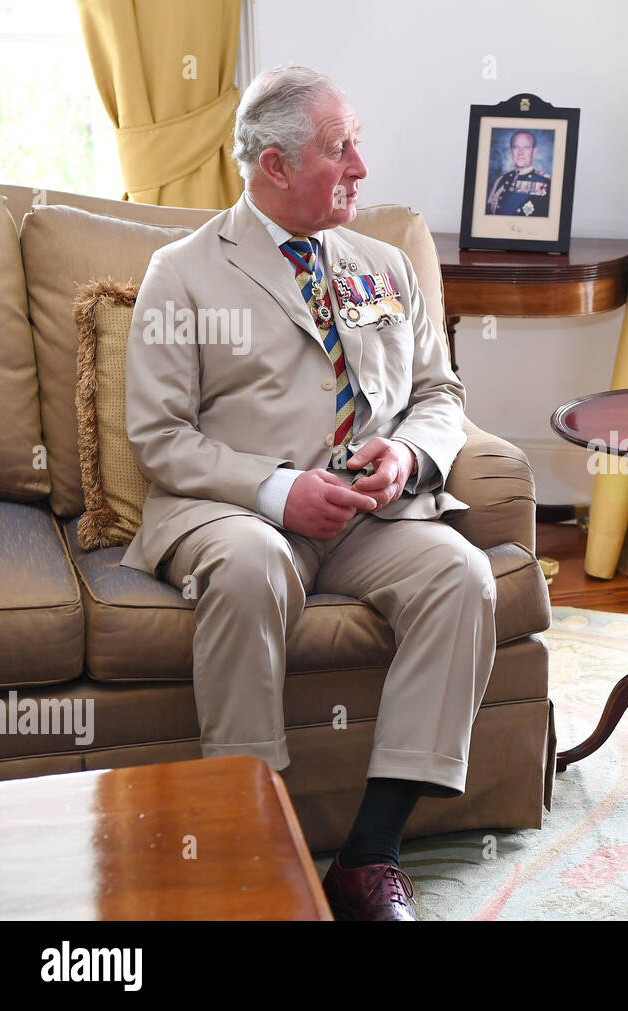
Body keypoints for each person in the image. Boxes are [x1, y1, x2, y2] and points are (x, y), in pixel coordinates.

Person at [122, 65, 497, 921]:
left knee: (463, 577)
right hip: (237, 512)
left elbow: (441, 394)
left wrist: (407, 455)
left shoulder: (385, 264)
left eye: (357, 142)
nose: (362, 166)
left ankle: (370, 857)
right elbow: (159, 437)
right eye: (340, 149)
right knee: (253, 565)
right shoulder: (181, 274)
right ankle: (250, 840)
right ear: (274, 166)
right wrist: (277, 489)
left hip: (373, 514)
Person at [485, 130, 552, 216]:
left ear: (534, 151)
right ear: (511, 151)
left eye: (526, 147)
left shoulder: (546, 183)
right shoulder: (501, 180)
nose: (520, 153)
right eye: (516, 147)